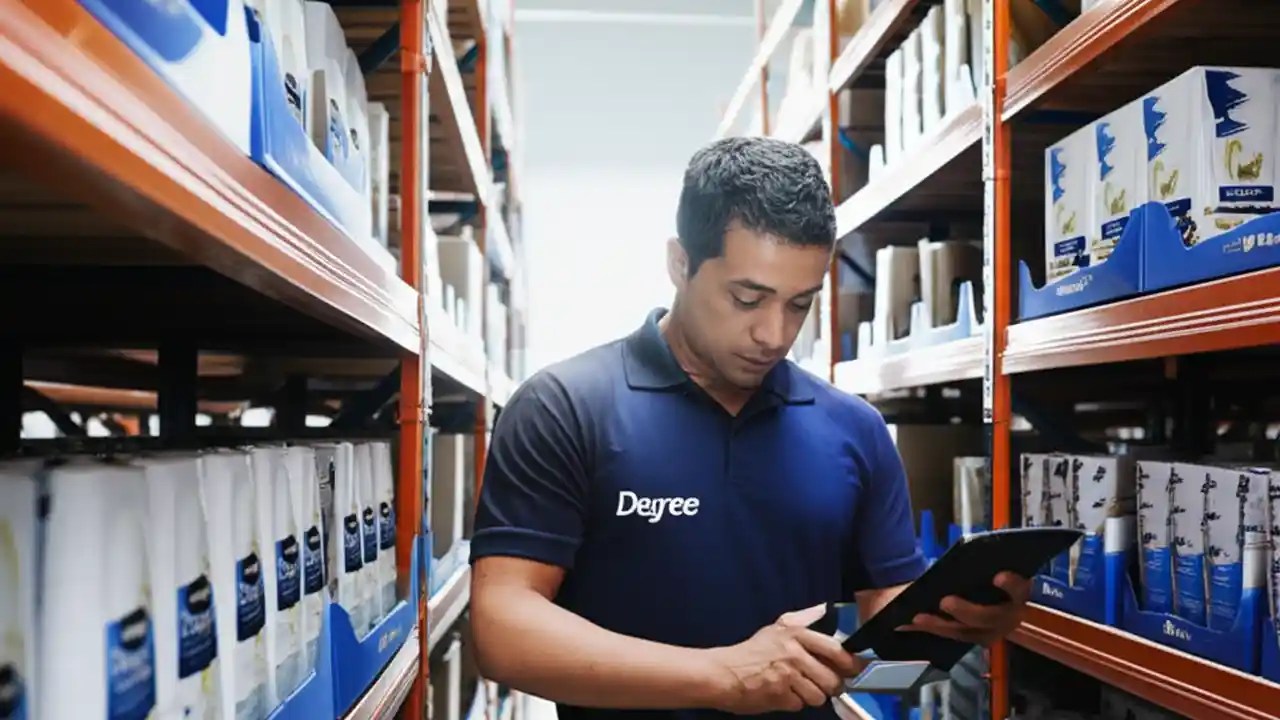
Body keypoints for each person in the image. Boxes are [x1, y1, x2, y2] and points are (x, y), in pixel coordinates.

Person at [467, 136, 1030, 719]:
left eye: (799, 304)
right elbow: (503, 632)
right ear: (679, 263)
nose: (775, 334)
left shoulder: (854, 429)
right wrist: (723, 676)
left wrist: (960, 629)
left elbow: (891, 663)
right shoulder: (564, 408)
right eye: (747, 298)